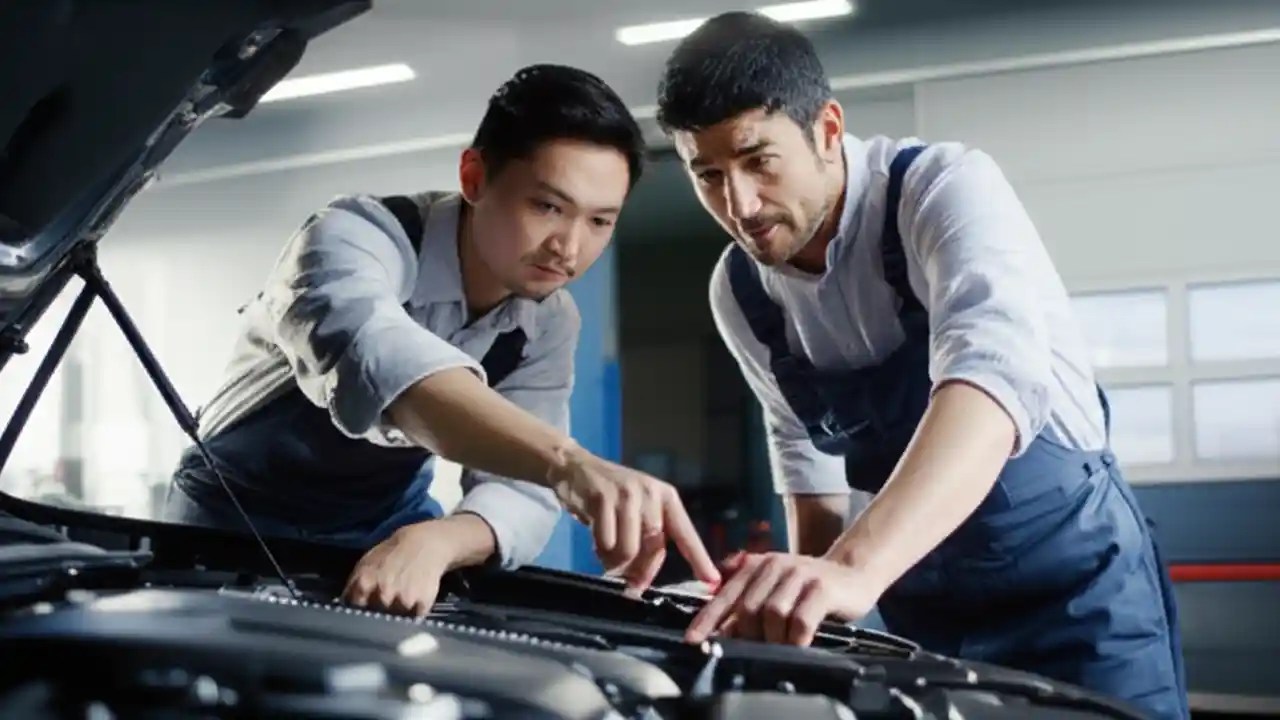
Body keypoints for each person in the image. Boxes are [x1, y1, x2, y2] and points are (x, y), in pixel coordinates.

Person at [655, 12, 1187, 719]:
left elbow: (991, 378)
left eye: (759, 162)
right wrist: (806, 612)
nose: (739, 205)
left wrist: (851, 569)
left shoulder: (941, 189)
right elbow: (801, 454)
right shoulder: (742, 288)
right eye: (709, 176)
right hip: (927, 623)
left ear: (828, 131)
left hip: (1080, 600)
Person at [164, 64, 719, 615]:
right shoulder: (351, 239)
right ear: (474, 178)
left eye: (600, 221)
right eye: (548, 207)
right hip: (232, 520)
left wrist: (438, 542)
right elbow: (383, 367)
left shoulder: (549, 322)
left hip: (386, 527)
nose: (569, 249)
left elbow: (521, 491)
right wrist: (569, 463)